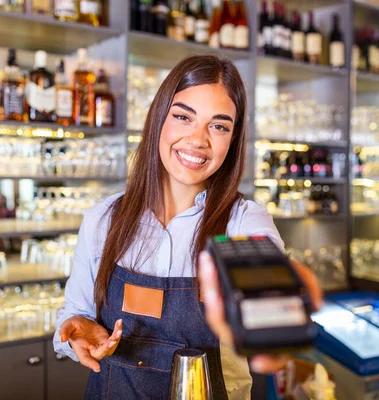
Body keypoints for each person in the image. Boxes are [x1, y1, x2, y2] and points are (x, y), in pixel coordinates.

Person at [53, 55, 322, 399]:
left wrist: (278, 316)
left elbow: (270, 303)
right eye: (183, 117)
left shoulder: (243, 223)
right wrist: (78, 330)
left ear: (233, 140)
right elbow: (75, 313)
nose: (198, 139)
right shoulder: (103, 219)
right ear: (158, 119)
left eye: (219, 126)